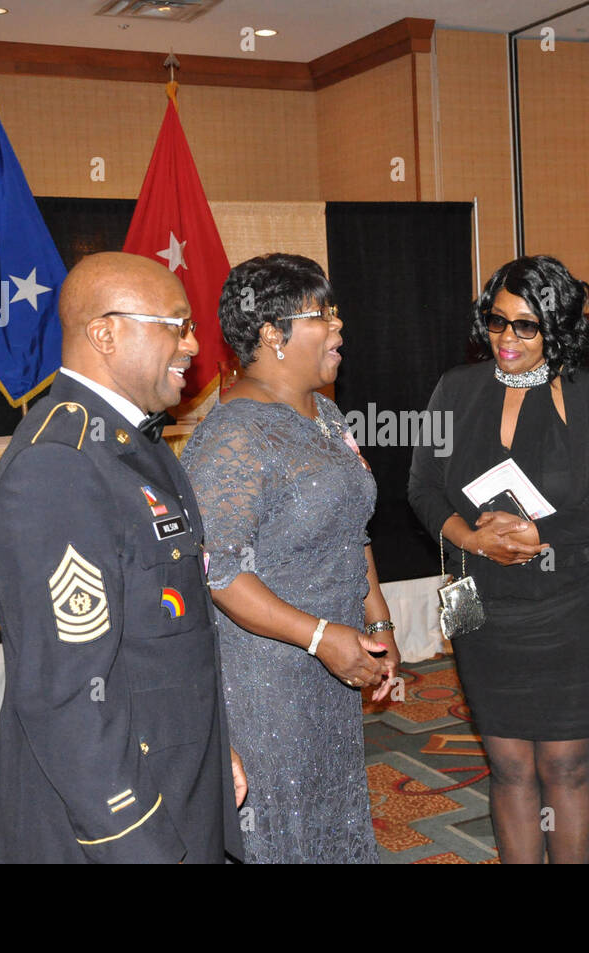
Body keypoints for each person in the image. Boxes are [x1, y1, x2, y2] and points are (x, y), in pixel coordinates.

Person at [0, 252, 245, 863]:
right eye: (174, 324)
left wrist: (211, 747)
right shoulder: (61, 466)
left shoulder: (129, 441)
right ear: (105, 333)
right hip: (112, 815)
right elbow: (67, 689)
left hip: (170, 771)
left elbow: (166, 640)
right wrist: (133, 837)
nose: (193, 343)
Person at [409, 255, 589, 864]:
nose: (506, 339)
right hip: (483, 609)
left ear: (556, 328)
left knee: (565, 766)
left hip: (574, 607)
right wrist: (470, 537)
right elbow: (422, 487)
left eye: (526, 326)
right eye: (497, 321)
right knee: (510, 767)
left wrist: (544, 535)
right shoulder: (454, 390)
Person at [182, 253, 397, 864]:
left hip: (332, 655)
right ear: (273, 334)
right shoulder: (234, 436)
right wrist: (323, 637)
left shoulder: (324, 414)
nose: (338, 329)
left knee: (330, 814)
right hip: (268, 674)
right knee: (283, 828)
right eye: (321, 316)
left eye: (336, 315)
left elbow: (352, 526)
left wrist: (376, 621)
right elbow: (217, 571)